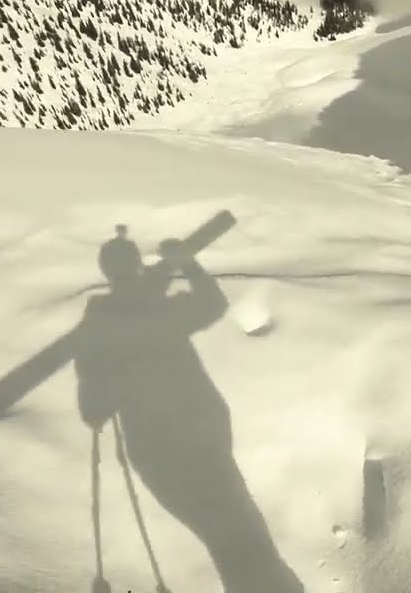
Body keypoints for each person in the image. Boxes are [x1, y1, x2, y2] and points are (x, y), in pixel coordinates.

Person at [74, 226, 303, 593]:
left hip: (192, 448)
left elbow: (94, 410)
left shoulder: (130, 319)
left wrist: (187, 266)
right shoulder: (119, 324)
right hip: (173, 455)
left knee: (242, 538)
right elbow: (95, 409)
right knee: (239, 540)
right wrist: (188, 266)